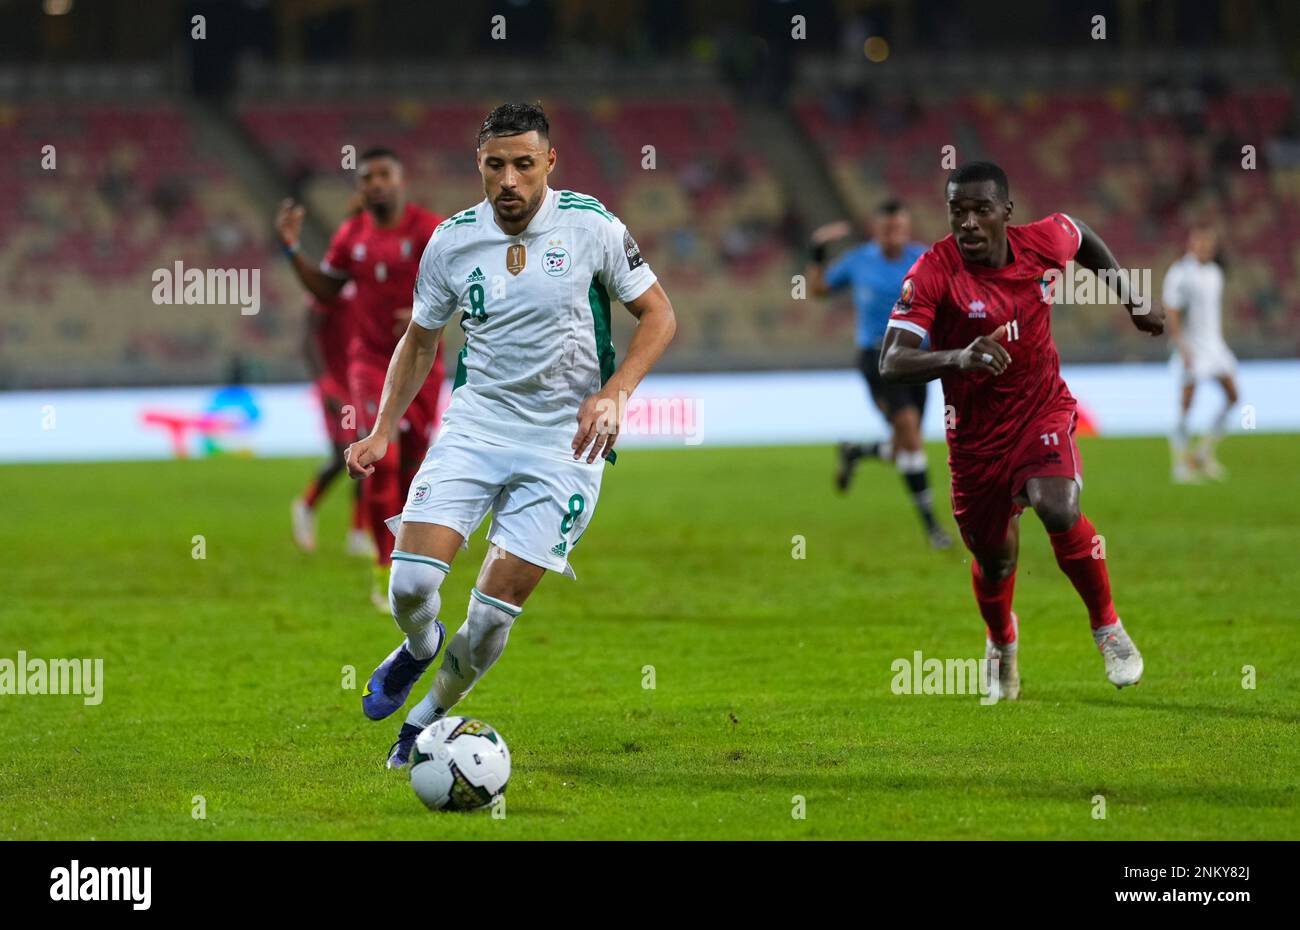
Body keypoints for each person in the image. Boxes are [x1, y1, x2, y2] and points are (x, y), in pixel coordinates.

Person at [344, 103, 677, 767]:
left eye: (524, 164)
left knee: (494, 613)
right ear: (480, 165)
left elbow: (659, 315)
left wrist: (614, 395)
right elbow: (419, 340)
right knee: (409, 585)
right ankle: (417, 646)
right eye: (495, 165)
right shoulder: (452, 240)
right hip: (479, 423)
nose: (509, 180)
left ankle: (423, 721)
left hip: (566, 441)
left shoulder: (592, 226)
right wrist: (382, 429)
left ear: (549, 163)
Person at [880, 161, 1164, 700]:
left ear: (1005, 213)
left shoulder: (1041, 242)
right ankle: (1001, 641)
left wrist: (1131, 299)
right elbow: (892, 362)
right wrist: (958, 357)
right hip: (975, 439)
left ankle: (1107, 626)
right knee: (995, 558)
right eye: (956, 210)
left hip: (1041, 411)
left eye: (980, 210)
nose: (967, 222)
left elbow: (1084, 237)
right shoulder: (932, 273)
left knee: (1058, 505)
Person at [275, 148, 445, 609]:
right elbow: (326, 289)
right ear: (360, 187)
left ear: (400, 179)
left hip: (423, 363)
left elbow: (471, 283)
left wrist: (430, 311)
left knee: (413, 468)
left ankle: (407, 565)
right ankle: (383, 570)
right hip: (369, 364)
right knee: (379, 459)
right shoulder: (351, 235)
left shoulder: (431, 230)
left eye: (383, 174)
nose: (375, 183)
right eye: (366, 177)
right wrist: (292, 250)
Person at [807, 200, 951, 549]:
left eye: (900, 228)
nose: (894, 235)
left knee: (906, 443)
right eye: (888, 229)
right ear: (876, 230)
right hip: (879, 359)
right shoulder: (858, 261)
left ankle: (857, 452)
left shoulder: (924, 258)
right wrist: (817, 251)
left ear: (907, 227)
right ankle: (933, 527)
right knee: (912, 438)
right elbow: (818, 289)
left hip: (919, 358)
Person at [291, 282, 373, 559]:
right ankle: (306, 505)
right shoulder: (330, 288)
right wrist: (324, 383)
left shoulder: (366, 283)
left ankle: (358, 533)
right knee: (344, 456)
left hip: (363, 382)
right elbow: (307, 339)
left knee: (365, 455)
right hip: (338, 388)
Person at [1162, 223, 1239, 482]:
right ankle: (1181, 464)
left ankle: (1204, 453)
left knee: (1233, 397)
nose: (1205, 247)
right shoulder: (1180, 273)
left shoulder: (1215, 272)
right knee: (1187, 406)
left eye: (1209, 244)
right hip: (1192, 348)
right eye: (1200, 242)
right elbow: (1171, 311)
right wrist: (1181, 346)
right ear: (1191, 244)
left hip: (1215, 347)